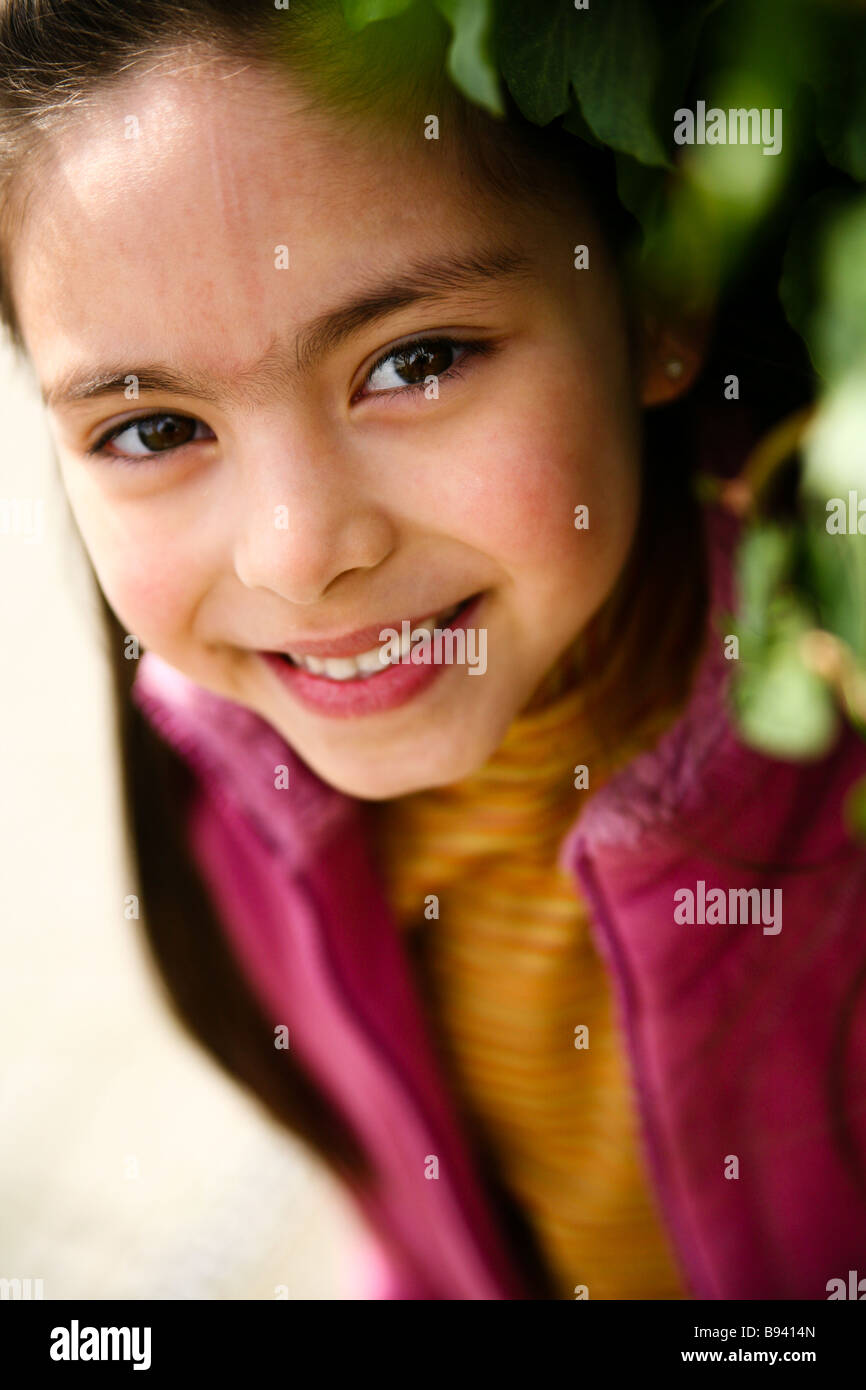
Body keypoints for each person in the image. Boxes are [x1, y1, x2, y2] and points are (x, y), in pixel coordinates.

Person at [3, 0, 865, 1299]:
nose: (299, 555)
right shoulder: (224, 767)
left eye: (415, 359)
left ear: (657, 294)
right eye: (151, 430)